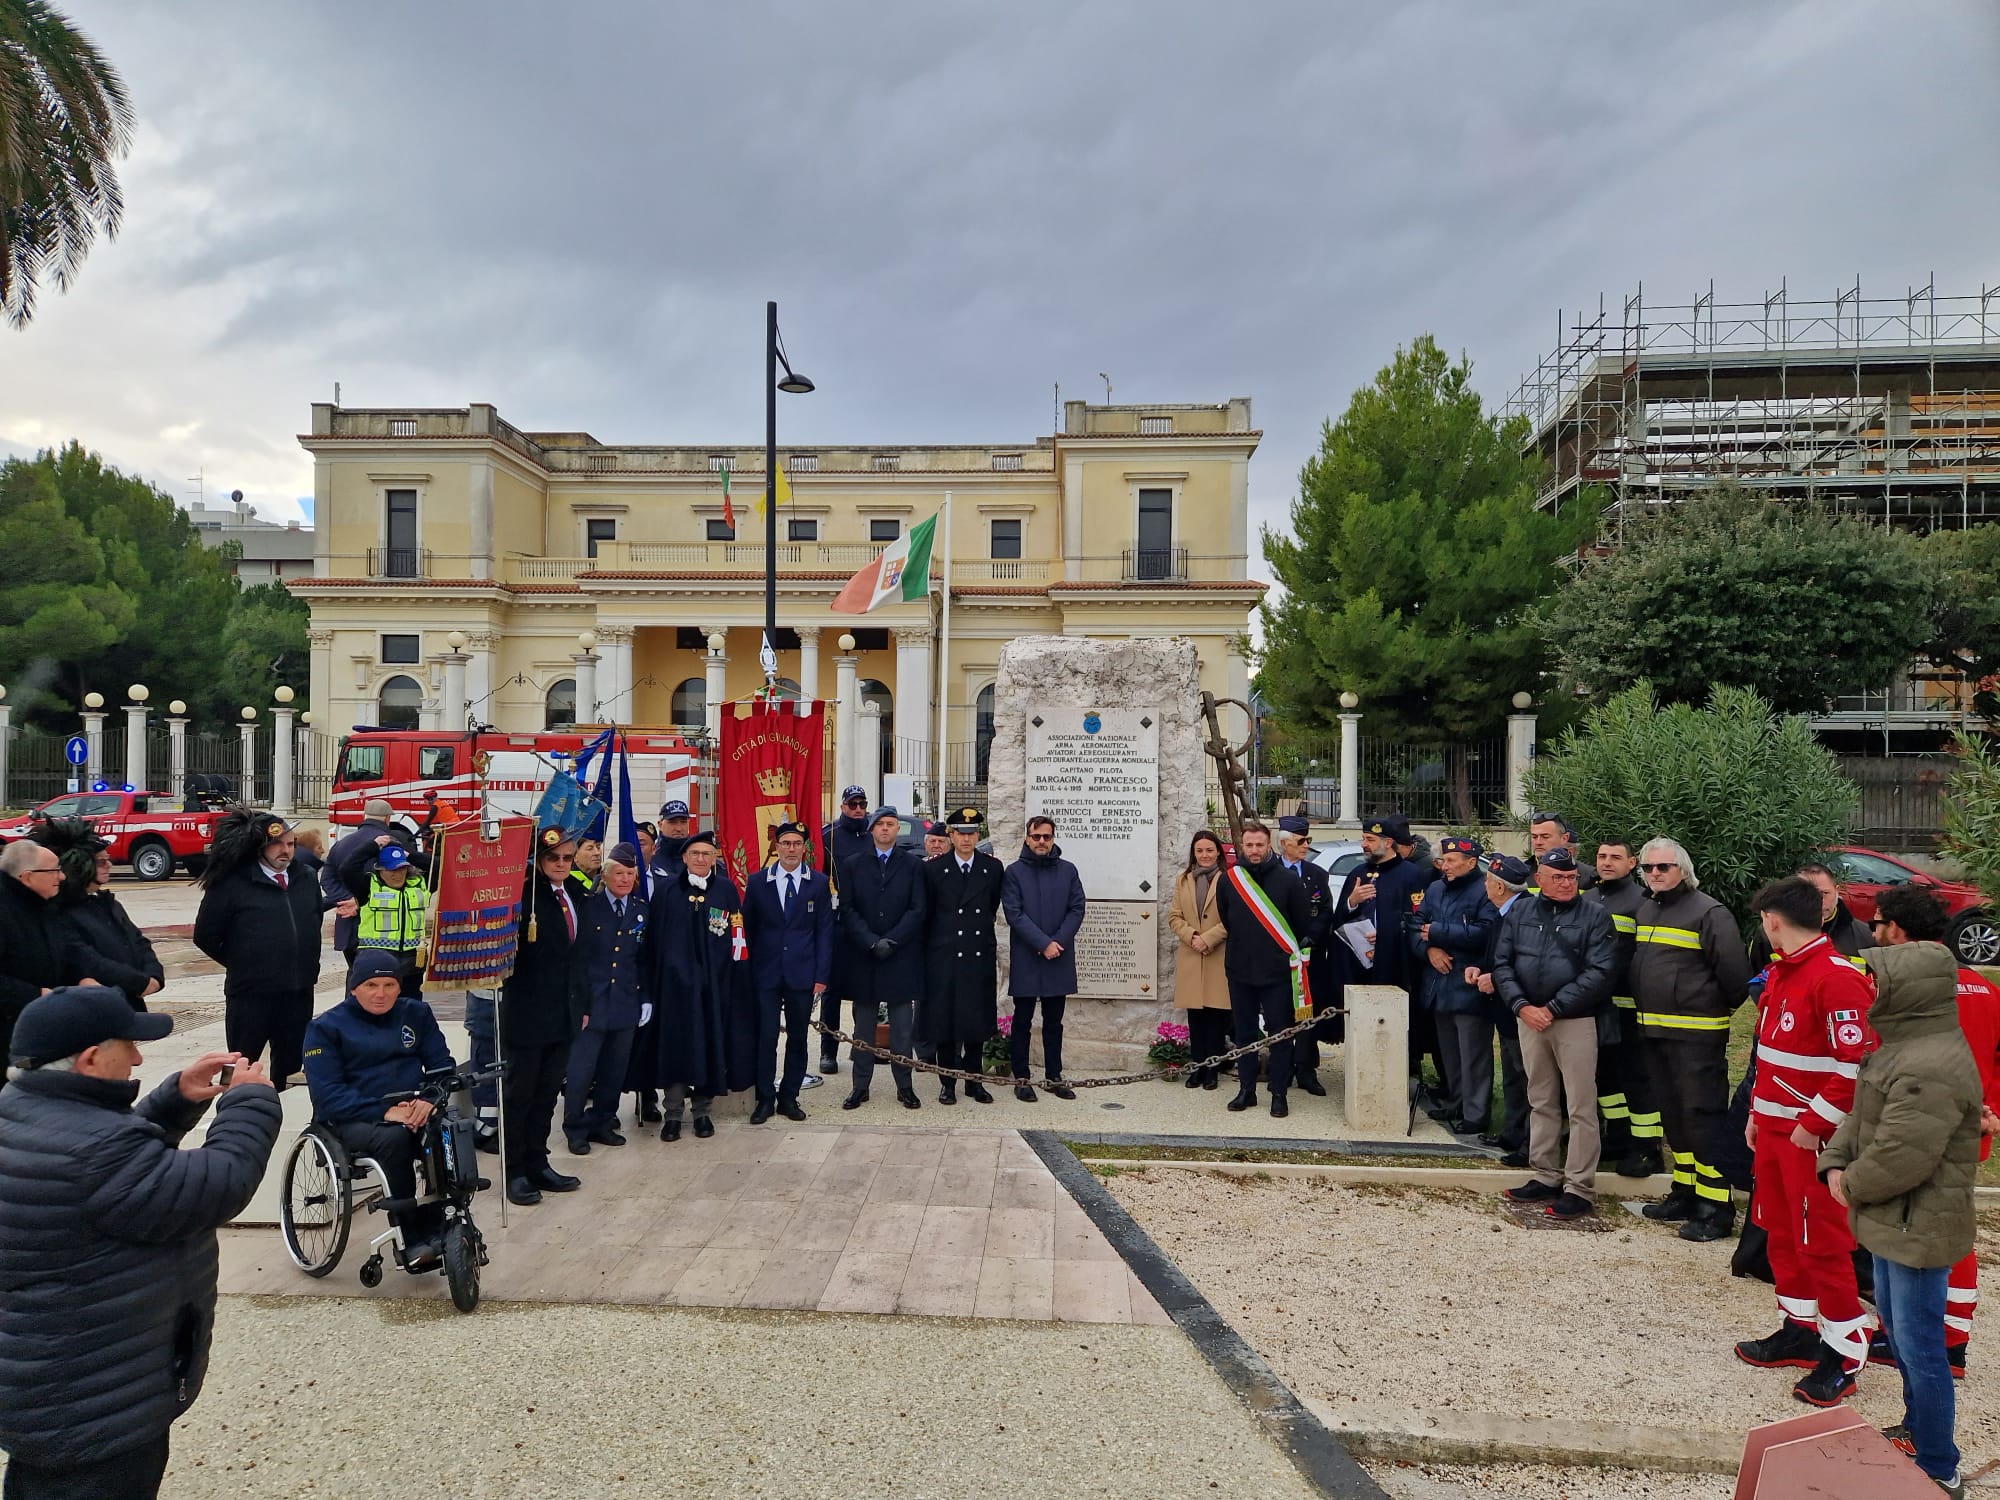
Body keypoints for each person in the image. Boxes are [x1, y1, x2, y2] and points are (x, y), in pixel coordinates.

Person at [0, 985, 279, 1498]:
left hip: (51, 1388)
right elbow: (221, 1180)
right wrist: (250, 1101)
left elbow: (113, 1169)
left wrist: (174, 1100)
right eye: (126, 1046)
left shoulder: (24, 1109)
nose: (137, 1057)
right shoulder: (96, 1150)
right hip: (96, 1406)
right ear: (89, 1058)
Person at [1819, 937, 1983, 1496]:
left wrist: (1849, 1185)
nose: (1872, 988)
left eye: (1882, 980)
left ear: (1908, 992)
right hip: (1897, 1223)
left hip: (1917, 1226)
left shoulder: (1927, 1064)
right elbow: (1863, 1117)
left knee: (1920, 1347)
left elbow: (1901, 1155)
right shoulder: (1903, 1045)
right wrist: (1834, 1160)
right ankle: (1917, 1432)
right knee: (1905, 1335)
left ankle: (1938, 1463)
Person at [1733, 876, 1877, 1406]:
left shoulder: (1836, 978)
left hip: (1811, 1139)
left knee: (1823, 1242)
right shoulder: (1782, 972)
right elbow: (1769, 1057)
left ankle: (1846, 1350)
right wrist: (1755, 1114)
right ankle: (1799, 1329)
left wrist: (1813, 1123)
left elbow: (1857, 1067)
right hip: (1773, 1132)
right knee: (1780, 1234)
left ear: (1772, 919)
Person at [1871, 884, 2000, 1382]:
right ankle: (1951, 1335)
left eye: (1878, 924)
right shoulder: (1984, 989)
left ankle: (1931, 1341)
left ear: (1897, 930)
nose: (1874, 933)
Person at [1631, 835, 1751, 1241]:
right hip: (1654, 1030)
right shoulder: (1648, 907)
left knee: (1702, 1118)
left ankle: (1716, 1207)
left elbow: (1736, 977)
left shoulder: (1708, 912)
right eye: (1647, 868)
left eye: (1662, 867)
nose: (1654, 874)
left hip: (1696, 1035)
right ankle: (1685, 1189)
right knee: (1674, 1115)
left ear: (1682, 868)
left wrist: (1708, 1009)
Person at [302, 951, 456, 1266]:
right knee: (395, 1139)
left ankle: (445, 1220)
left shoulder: (416, 1014)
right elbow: (327, 1095)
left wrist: (428, 1100)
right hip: (352, 1118)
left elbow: (443, 1069)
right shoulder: (326, 1028)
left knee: (450, 1130)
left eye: (389, 984)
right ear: (354, 987)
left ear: (400, 987)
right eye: (371, 985)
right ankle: (410, 1238)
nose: (380, 993)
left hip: (413, 1107)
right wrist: (385, 1112)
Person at [1494, 847, 1616, 1221]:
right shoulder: (1522, 911)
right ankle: (1545, 1174)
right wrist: (1522, 1006)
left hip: (1574, 1020)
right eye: (1558, 877)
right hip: (1529, 1019)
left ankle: (1579, 1187)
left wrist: (1553, 1008)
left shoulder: (1594, 915)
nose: (1566, 883)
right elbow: (1502, 963)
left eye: (1571, 877)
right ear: (1539, 879)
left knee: (1581, 1105)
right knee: (1541, 1098)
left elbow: (1601, 971)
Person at [192, 808, 329, 1089]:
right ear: (260, 847)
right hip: (250, 994)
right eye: (277, 844)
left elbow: (314, 921)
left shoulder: (305, 878)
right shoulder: (232, 884)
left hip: (298, 991)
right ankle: (232, 1112)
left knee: (291, 1065)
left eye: (290, 844)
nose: (285, 851)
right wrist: (244, 962)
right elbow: (205, 936)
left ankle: (280, 1110)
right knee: (241, 1062)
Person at [648, 830, 754, 1138]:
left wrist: (735, 974)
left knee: (709, 1047)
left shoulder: (726, 890)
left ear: (714, 859)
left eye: (706, 854)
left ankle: (703, 1113)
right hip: (674, 989)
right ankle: (673, 1113)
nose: (700, 859)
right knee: (676, 1050)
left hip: (714, 986)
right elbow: (654, 940)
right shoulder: (667, 890)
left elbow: (737, 935)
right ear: (684, 858)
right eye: (694, 854)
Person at [499, 828, 584, 1205]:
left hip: (563, 1012)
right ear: (539, 859)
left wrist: (584, 1006)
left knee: (548, 1093)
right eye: (554, 859)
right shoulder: (524, 895)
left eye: (567, 858)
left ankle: (539, 1161)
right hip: (528, 1011)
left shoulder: (577, 893)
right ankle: (515, 1169)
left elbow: (583, 958)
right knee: (521, 1094)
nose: (562, 865)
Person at [1215, 818, 1314, 1119]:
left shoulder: (1288, 881)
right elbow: (1227, 919)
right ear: (1241, 847)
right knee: (1244, 1033)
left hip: (1277, 974)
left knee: (1280, 1034)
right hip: (1240, 970)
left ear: (1268, 844)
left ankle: (1279, 1092)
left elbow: (1300, 925)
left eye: (1259, 844)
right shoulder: (1230, 880)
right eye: (1249, 845)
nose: (1254, 850)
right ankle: (1247, 1089)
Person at [1331, 814, 1432, 1101]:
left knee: (1395, 1031)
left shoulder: (1411, 875)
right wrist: (1353, 901)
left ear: (1388, 843)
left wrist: (1387, 933)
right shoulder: (1358, 874)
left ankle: (1399, 1081)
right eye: (1364, 838)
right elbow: (1338, 918)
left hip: (1395, 968)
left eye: (1370, 840)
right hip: (1360, 968)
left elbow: (1418, 921)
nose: (1363, 844)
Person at [743, 823, 833, 1122]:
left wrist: (821, 975)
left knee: (798, 1038)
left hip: (802, 974)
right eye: (786, 843)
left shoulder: (818, 883)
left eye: (797, 843)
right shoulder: (758, 882)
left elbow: (824, 931)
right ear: (777, 846)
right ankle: (765, 1099)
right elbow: (750, 930)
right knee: (765, 1038)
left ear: (804, 848)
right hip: (766, 974)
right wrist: (749, 971)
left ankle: (790, 1097)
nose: (792, 849)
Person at [839, 807, 928, 1110]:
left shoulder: (913, 865)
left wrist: (894, 939)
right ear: (871, 830)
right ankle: (859, 1087)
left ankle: (905, 1086)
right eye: (881, 825)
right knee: (863, 1030)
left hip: (900, 956)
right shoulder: (852, 864)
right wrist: (870, 941)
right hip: (866, 956)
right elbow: (848, 909)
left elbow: (918, 908)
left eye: (891, 824)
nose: (886, 829)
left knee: (902, 1030)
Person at [565, 843, 650, 1153]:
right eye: (619, 873)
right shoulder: (589, 907)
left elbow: (643, 959)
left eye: (630, 874)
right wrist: (581, 1003)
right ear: (605, 875)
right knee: (581, 1071)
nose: (624, 879)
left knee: (614, 1070)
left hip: (626, 1002)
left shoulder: (641, 910)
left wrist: (646, 998)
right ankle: (574, 1127)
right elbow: (579, 960)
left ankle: (603, 1121)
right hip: (593, 1003)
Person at [1586, 837, 1663, 1178]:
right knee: (1605, 1076)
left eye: (1616, 857)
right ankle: (1615, 1138)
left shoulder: (1643, 901)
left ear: (1632, 863)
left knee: (1637, 1078)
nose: (1607, 862)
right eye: (1602, 856)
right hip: (1597, 1004)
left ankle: (1647, 1149)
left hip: (1632, 1006)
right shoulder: (1587, 897)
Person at [1411, 836, 1497, 1136]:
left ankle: (1475, 1114)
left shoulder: (1484, 889)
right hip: (1438, 982)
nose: (1443, 866)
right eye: (1443, 860)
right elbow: (1413, 925)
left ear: (1470, 863)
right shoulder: (1435, 888)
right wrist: (1429, 950)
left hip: (1468, 983)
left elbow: (1484, 933)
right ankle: (1456, 1100)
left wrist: (1436, 932)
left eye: (1450, 862)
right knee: (1449, 1051)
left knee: (1473, 1053)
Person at [919, 807, 1003, 1106]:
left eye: (971, 833)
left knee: (976, 1022)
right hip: (944, 955)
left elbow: (990, 908)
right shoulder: (933, 869)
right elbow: (927, 914)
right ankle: (948, 1082)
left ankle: (974, 1081)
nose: (966, 839)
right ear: (951, 836)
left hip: (976, 956)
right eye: (960, 833)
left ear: (978, 835)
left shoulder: (992, 869)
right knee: (945, 1022)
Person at [31, 820, 162, 1010]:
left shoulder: (106, 903)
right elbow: (85, 960)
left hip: (128, 1004)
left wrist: (154, 975)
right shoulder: (59, 912)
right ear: (77, 865)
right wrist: (138, 982)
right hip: (94, 1007)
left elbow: (139, 941)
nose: (109, 865)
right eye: (101, 862)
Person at [1002, 814, 1086, 1103]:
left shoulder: (1068, 870)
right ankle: (1021, 1077)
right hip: (1028, 955)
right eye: (1036, 836)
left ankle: (1054, 1076)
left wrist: (1057, 943)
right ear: (1027, 838)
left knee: (1054, 1021)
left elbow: (1077, 908)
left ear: (1053, 839)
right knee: (1022, 1020)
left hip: (1058, 956)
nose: (1041, 841)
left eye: (1046, 837)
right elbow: (1014, 913)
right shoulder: (1014, 872)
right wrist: (1042, 943)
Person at [1466, 853, 1533, 1166]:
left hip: (1520, 1007)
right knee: (1510, 1075)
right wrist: (1479, 968)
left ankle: (1530, 1144)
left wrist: (1496, 979)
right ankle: (1512, 1132)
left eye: (1488, 881)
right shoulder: (1502, 911)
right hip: (1504, 1009)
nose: (1484, 885)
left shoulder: (1524, 913)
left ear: (1501, 887)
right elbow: (1496, 954)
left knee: (1528, 1079)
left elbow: (1527, 961)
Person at [816, 785, 875, 1076]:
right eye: (852, 804)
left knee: (865, 988)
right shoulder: (828, 836)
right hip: (837, 921)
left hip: (865, 921)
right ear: (842, 806)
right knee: (833, 990)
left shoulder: (873, 834)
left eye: (862, 804)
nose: (858, 809)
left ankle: (863, 1047)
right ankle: (828, 1050)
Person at [1275, 815, 1335, 1096]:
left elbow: (1325, 911)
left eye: (1308, 840)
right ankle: (1283, 1068)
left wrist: (1311, 937)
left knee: (1307, 1013)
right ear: (1284, 843)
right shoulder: (1269, 872)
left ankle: (1306, 1069)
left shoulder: (1317, 874)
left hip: (1309, 959)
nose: (1306, 846)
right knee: (1281, 1014)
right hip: (1278, 959)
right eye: (1301, 841)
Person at [0, 841, 77, 1060]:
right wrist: (36, 995)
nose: (61, 877)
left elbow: (67, 951)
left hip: (39, 1027)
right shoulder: (5, 911)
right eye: (54, 870)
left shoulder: (40, 906)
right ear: (27, 877)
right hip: (10, 1038)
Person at [1168, 830, 1231, 1090]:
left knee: (1216, 1016)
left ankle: (1213, 1069)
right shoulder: (1182, 881)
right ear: (1193, 854)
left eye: (1209, 850)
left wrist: (1210, 938)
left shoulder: (1228, 879)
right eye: (1199, 851)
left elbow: (1233, 916)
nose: (1204, 855)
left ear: (1218, 851)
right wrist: (1193, 936)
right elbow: (1174, 916)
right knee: (1195, 1016)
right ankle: (1197, 1067)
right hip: (1192, 954)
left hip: (1218, 954)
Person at [321, 798, 421, 955]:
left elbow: (327, 879)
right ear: (387, 819)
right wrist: (360, 901)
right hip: (382, 928)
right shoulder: (391, 843)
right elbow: (403, 882)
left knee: (355, 975)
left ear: (364, 816)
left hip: (347, 922)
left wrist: (346, 899)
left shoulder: (341, 844)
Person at [352, 843, 429, 997]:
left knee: (410, 1011)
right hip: (377, 962)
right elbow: (348, 868)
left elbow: (441, 866)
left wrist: (411, 855)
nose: (397, 874)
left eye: (402, 868)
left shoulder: (420, 885)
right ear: (379, 870)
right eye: (391, 869)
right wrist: (372, 846)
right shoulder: (367, 887)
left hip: (412, 965)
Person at [653, 800, 694, 878]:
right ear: (660, 825)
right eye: (672, 822)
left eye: (683, 822)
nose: (679, 828)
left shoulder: (700, 857)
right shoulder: (650, 859)